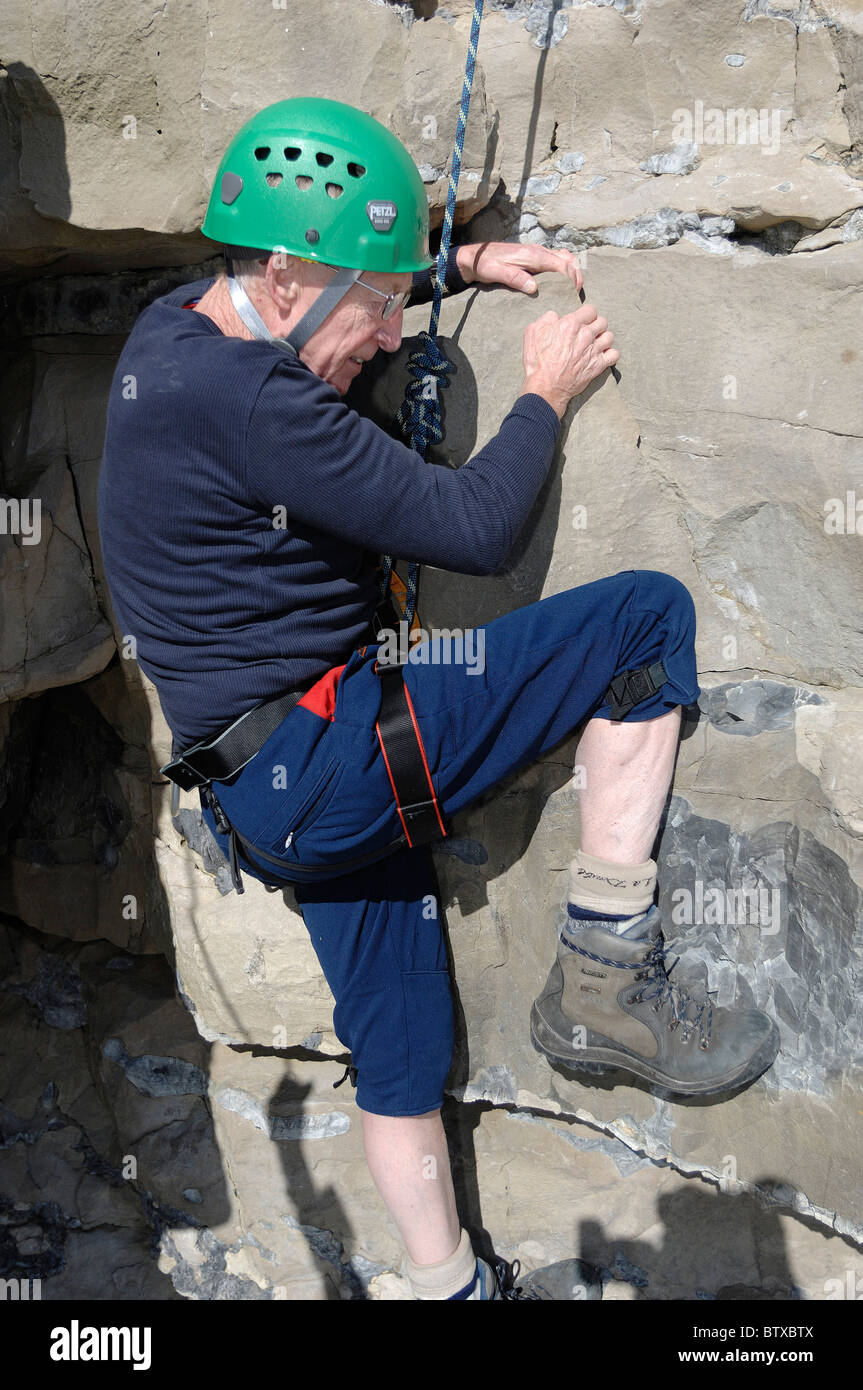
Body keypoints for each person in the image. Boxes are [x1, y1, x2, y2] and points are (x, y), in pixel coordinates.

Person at [97, 97, 779, 1301]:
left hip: (258, 796)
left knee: (401, 1047)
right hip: (336, 755)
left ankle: (448, 1287)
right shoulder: (263, 402)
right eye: (369, 305)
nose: (375, 339)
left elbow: (329, 303)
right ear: (287, 272)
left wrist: (452, 265)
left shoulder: (172, 333)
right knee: (642, 617)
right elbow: (473, 525)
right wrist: (544, 392)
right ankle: (603, 973)